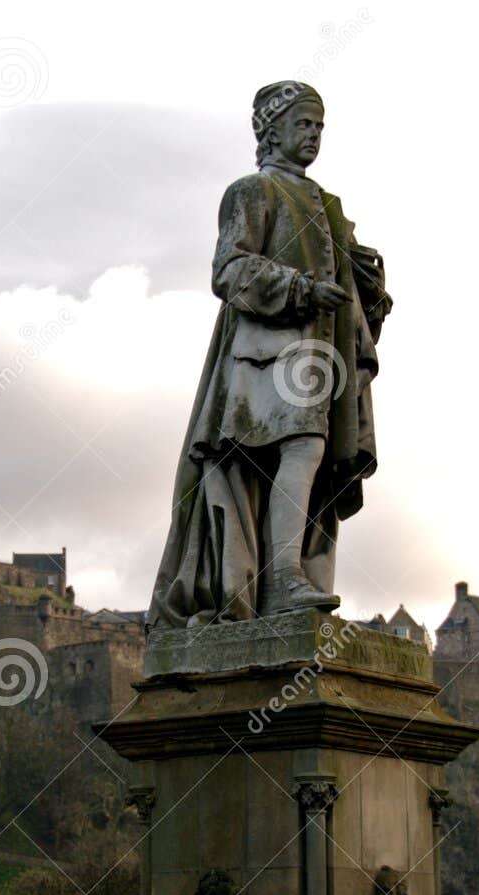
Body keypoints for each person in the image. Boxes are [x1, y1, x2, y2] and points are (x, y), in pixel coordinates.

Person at [148, 80, 390, 628]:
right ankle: (281, 581)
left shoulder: (327, 203)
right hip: (263, 356)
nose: (313, 136)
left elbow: (349, 279)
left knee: (313, 456)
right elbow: (229, 270)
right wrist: (301, 289)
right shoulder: (251, 192)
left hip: (318, 361)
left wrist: (366, 282)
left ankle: (284, 578)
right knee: (302, 447)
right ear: (271, 129)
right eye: (303, 124)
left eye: (319, 127)